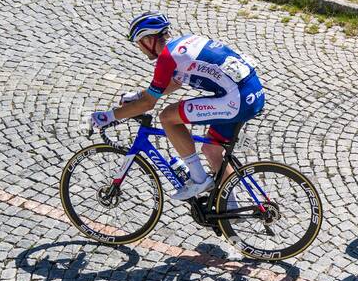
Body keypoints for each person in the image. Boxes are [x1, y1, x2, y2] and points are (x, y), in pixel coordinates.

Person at [88, 13, 266, 201]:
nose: (140, 48)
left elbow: (149, 104)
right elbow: (174, 82)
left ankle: (199, 179)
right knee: (212, 150)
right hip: (251, 94)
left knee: (167, 117)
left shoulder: (167, 58)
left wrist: (108, 116)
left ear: (149, 39)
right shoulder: (184, 42)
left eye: (139, 42)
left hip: (236, 100)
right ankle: (231, 209)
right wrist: (139, 95)